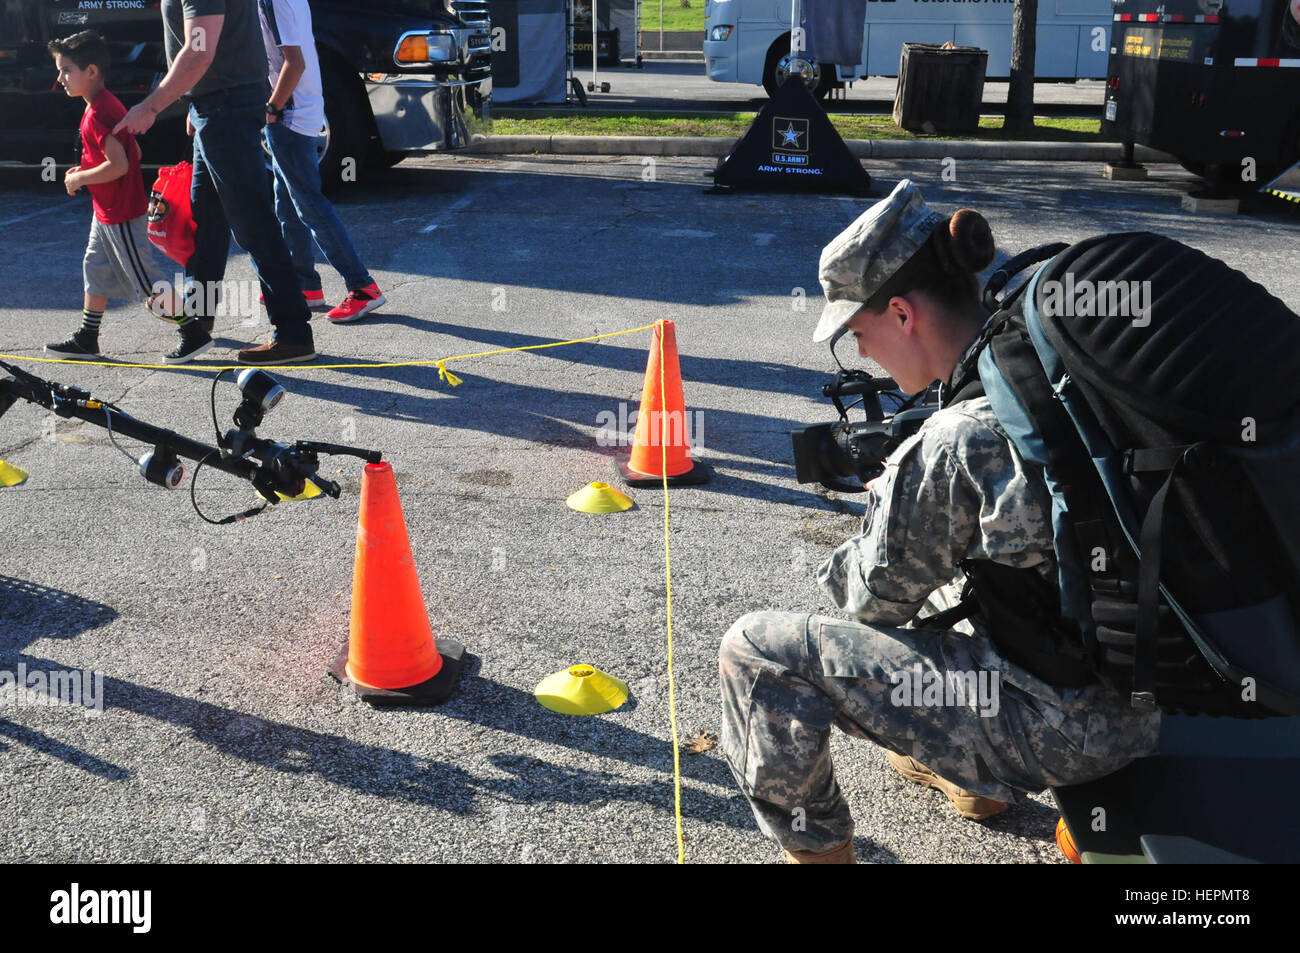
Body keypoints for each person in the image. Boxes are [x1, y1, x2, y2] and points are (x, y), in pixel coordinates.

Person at [718, 179, 1162, 864]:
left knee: (758, 653)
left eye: (858, 334)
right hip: (1165, 683)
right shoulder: (1047, 367)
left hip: (1073, 728)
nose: (863, 355)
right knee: (970, 571)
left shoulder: (956, 436)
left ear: (901, 313)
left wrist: (888, 499)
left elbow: (867, 602)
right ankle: (971, 783)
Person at [113, 0, 316, 365]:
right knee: (208, 219)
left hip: (226, 107)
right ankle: (196, 323)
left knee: (252, 222)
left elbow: (199, 51)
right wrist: (194, 102)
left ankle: (293, 333)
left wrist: (152, 107)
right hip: (215, 105)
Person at [43, 31, 196, 365]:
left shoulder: (99, 114)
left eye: (67, 70)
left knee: (146, 281)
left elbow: (119, 165)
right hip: (106, 210)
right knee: (95, 266)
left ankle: (193, 332)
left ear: (92, 71)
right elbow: (134, 149)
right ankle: (87, 337)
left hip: (121, 212)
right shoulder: (106, 104)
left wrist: (79, 177)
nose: (60, 78)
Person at [257, 0, 386, 323]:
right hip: (299, 110)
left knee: (309, 206)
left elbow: (295, 62)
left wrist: (272, 109)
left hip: (291, 116)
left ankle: (363, 287)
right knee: (286, 201)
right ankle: (303, 284)